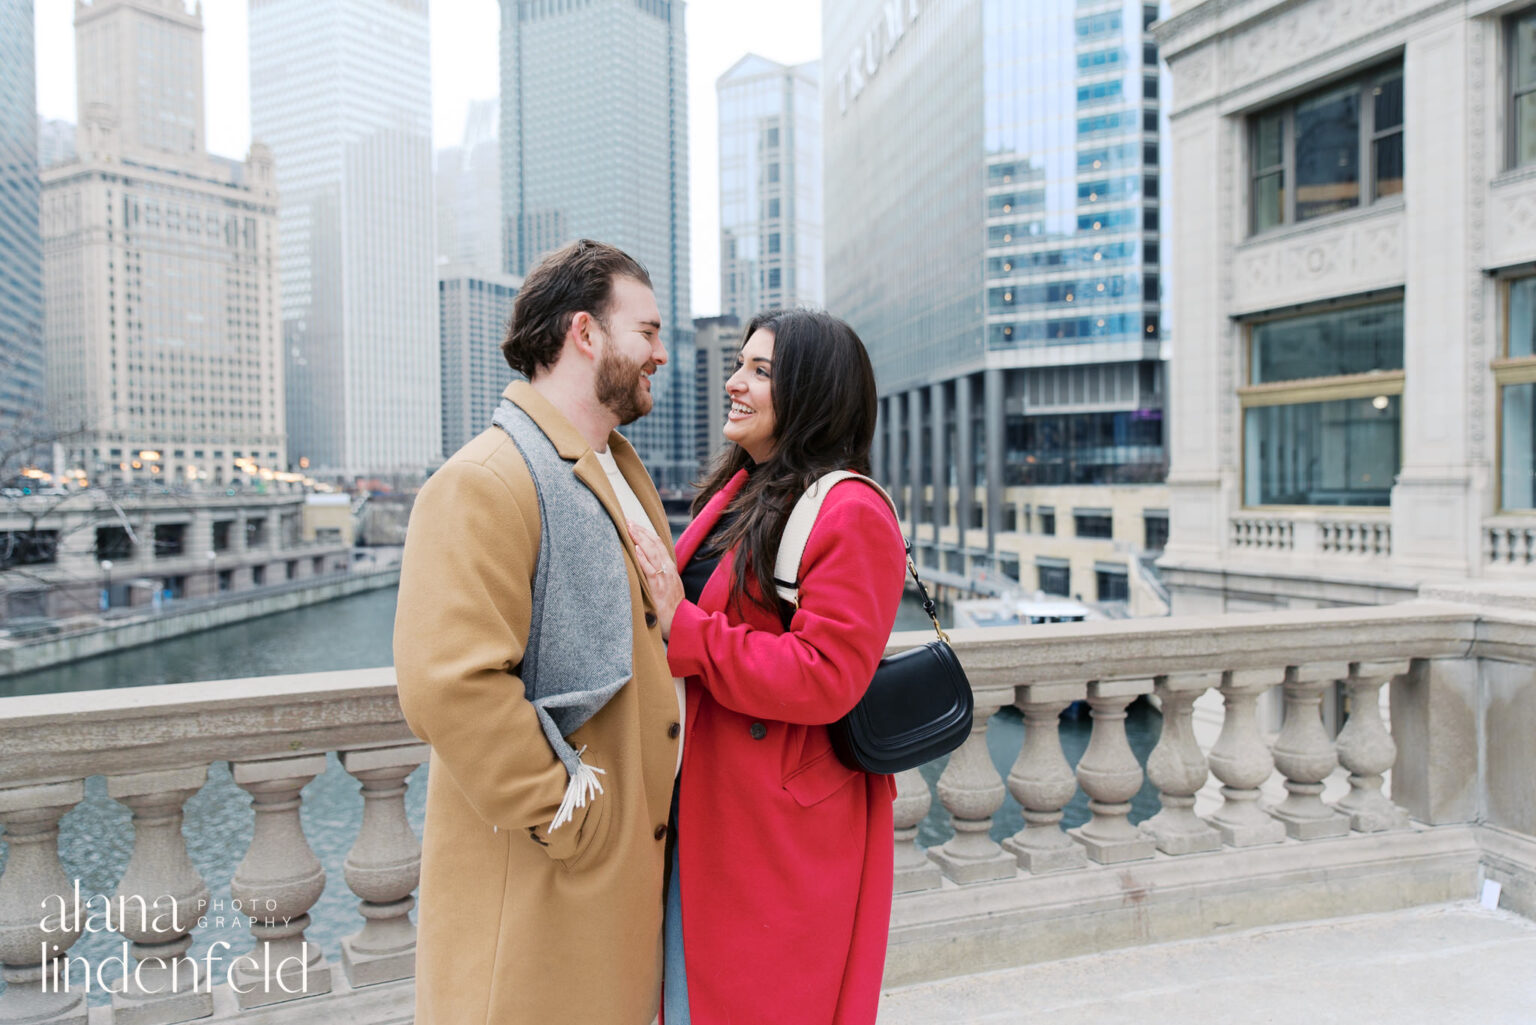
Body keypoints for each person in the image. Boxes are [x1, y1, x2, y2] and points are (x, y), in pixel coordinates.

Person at [394, 239, 683, 1025]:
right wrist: (576, 820)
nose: (662, 352)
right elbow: (449, 686)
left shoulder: (614, 471)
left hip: (608, 901)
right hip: (538, 904)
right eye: (648, 331)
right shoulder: (483, 481)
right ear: (585, 334)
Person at [628, 308, 908, 1025]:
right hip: (709, 803)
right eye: (740, 365)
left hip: (777, 832)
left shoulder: (851, 511)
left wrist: (690, 631)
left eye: (760, 370)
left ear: (813, 391)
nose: (735, 382)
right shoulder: (740, 489)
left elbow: (827, 674)